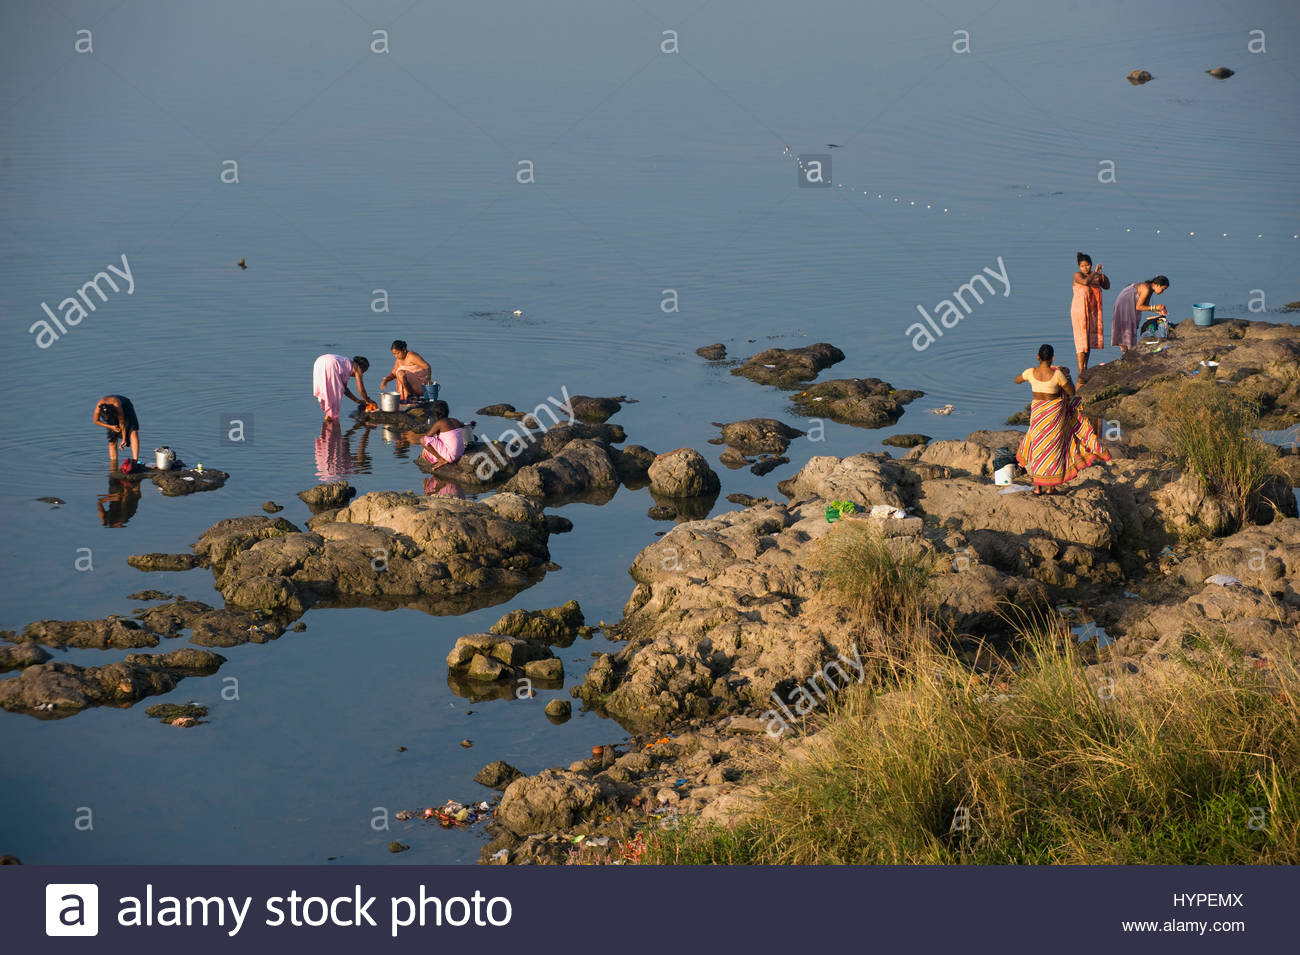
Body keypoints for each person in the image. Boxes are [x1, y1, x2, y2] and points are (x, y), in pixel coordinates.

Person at [1014, 344, 1111, 495]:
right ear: (1052, 358)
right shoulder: (1057, 375)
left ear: (1038, 357)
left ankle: (1038, 487)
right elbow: (1071, 391)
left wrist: (1027, 378)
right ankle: (1051, 487)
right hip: (1054, 415)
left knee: (1038, 447)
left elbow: (1016, 380)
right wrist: (1064, 375)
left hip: (1038, 414)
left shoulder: (1030, 373)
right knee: (1054, 448)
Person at [1070, 252, 1109, 374]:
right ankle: (1081, 369)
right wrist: (1094, 273)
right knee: (1081, 340)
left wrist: (1101, 275)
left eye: (1087, 265)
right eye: (1082, 266)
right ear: (1079, 267)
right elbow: (1086, 282)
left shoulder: (1095, 276)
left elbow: (1107, 286)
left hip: (1092, 312)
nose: (1085, 268)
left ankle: (1085, 366)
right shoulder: (1077, 275)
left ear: (1091, 265)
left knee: (1088, 339)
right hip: (1079, 311)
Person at [1111, 275, 1169, 353]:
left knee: (1129, 327)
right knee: (1127, 327)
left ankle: (1126, 351)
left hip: (1128, 302)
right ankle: (1127, 351)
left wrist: (1157, 310)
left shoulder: (1150, 289)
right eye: (1163, 289)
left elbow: (1145, 306)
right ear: (1157, 285)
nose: (1162, 292)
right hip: (1125, 302)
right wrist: (1155, 307)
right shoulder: (1146, 288)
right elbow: (1139, 307)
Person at [312, 354, 371, 421]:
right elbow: (361, 389)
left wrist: (358, 401)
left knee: (328, 394)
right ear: (362, 367)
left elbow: (345, 389)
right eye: (363, 372)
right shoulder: (357, 368)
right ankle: (330, 425)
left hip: (319, 361)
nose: (361, 374)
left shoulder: (346, 364)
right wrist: (367, 400)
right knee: (334, 399)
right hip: (331, 363)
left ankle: (327, 423)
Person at [93, 395, 140, 469]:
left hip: (126, 407)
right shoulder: (99, 406)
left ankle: (135, 461)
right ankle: (114, 466)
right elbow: (96, 421)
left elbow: (122, 422)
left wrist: (124, 439)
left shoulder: (117, 405)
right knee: (112, 441)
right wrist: (110, 427)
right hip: (112, 413)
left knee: (133, 432)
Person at [419, 401, 467, 470]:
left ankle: (441, 460)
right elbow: (463, 425)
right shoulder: (455, 420)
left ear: (436, 414)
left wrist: (424, 448)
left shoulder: (440, 423)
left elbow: (427, 437)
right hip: (460, 453)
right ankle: (443, 458)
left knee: (422, 439)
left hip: (450, 456)